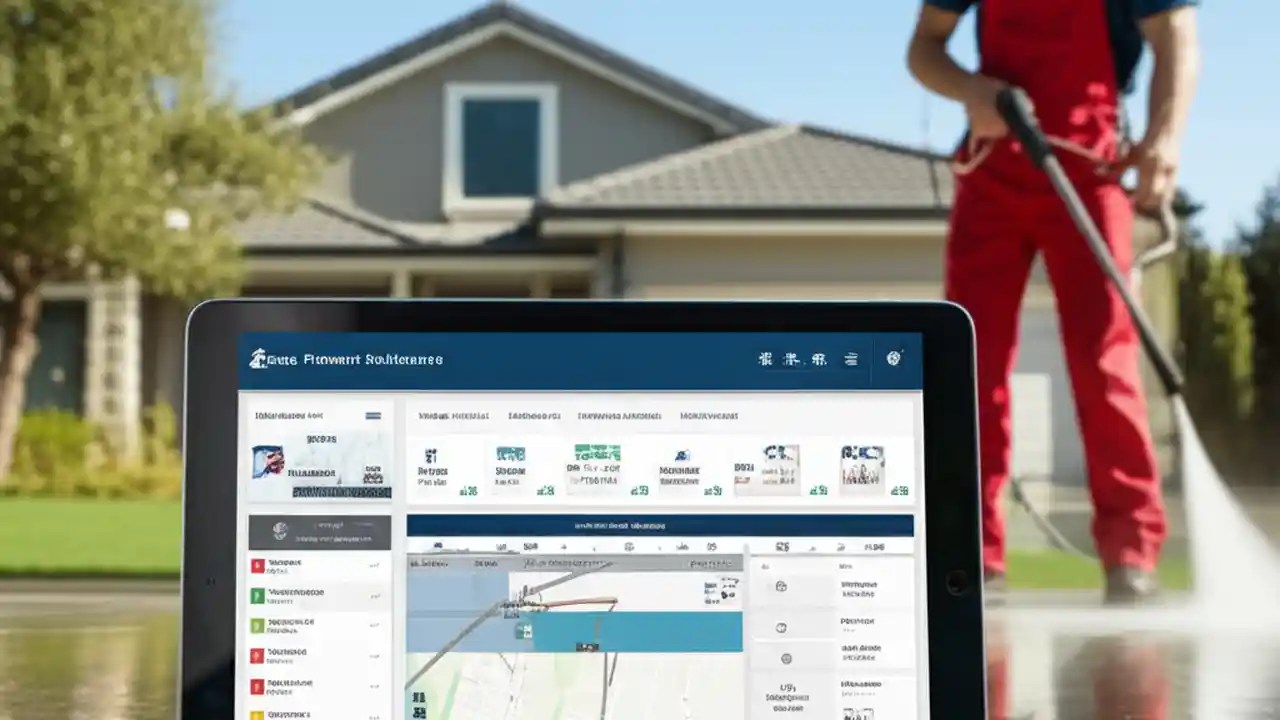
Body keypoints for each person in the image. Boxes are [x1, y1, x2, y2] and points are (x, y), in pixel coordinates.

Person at [907, 0, 1200, 603]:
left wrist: (1164, 138)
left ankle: (1130, 556)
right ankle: (971, 553)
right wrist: (973, 90)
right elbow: (924, 49)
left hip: (1090, 165)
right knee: (969, 359)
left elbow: (1176, 34)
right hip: (994, 162)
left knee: (1105, 359)